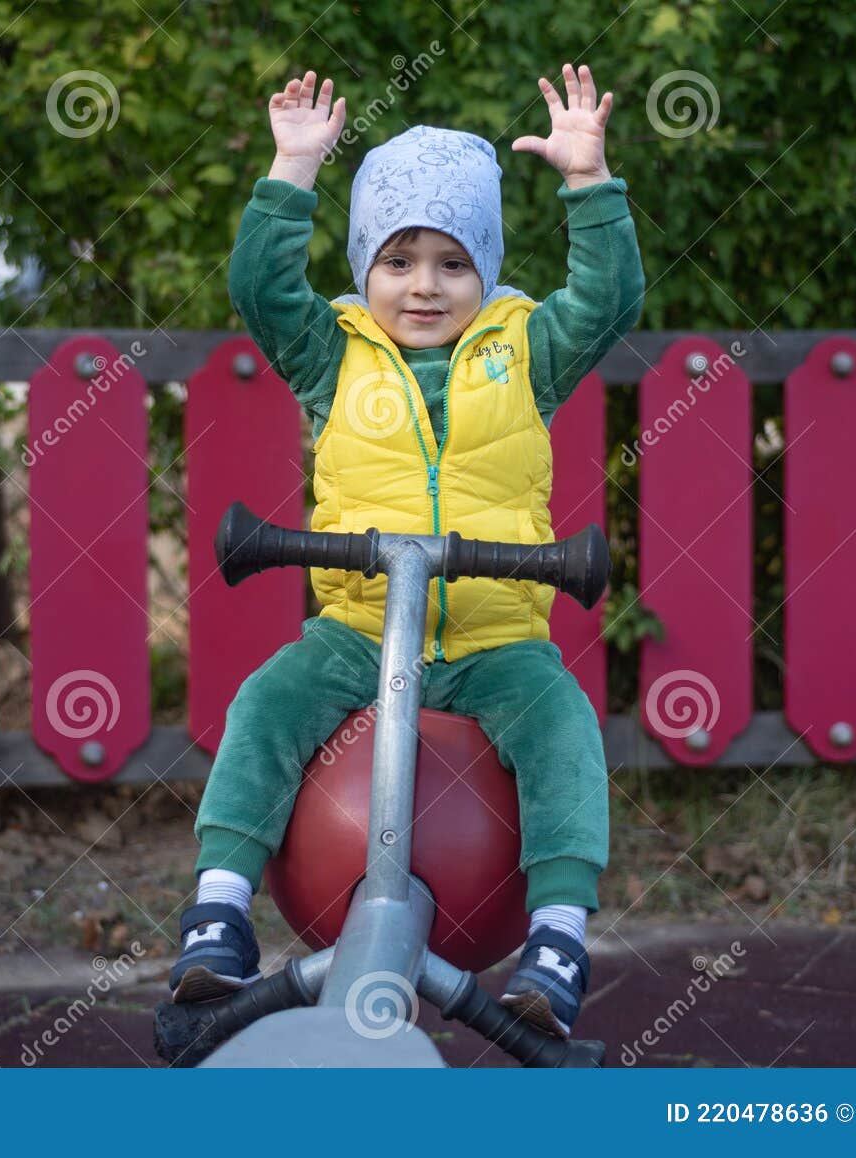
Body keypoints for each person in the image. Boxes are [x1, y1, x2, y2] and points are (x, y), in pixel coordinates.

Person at [168, 64, 644, 1040]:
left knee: (561, 724)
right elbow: (260, 287)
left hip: (492, 637)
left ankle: (556, 939)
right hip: (356, 627)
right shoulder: (331, 354)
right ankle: (217, 914)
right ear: (364, 270)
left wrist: (589, 185)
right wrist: (291, 172)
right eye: (398, 260)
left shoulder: (526, 349)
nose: (423, 285)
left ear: (485, 271)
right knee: (266, 701)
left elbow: (607, 300)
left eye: (451, 263)